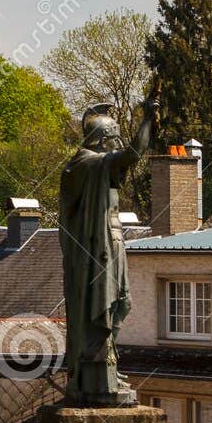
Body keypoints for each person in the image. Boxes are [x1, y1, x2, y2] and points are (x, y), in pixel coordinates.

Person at [58, 97, 157, 406]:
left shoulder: (94, 166)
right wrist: (147, 119)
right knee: (105, 304)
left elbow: (125, 157)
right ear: (102, 141)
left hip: (113, 242)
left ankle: (108, 363)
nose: (117, 145)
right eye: (113, 139)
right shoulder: (85, 162)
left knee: (121, 303)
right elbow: (133, 154)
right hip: (98, 247)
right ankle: (98, 371)